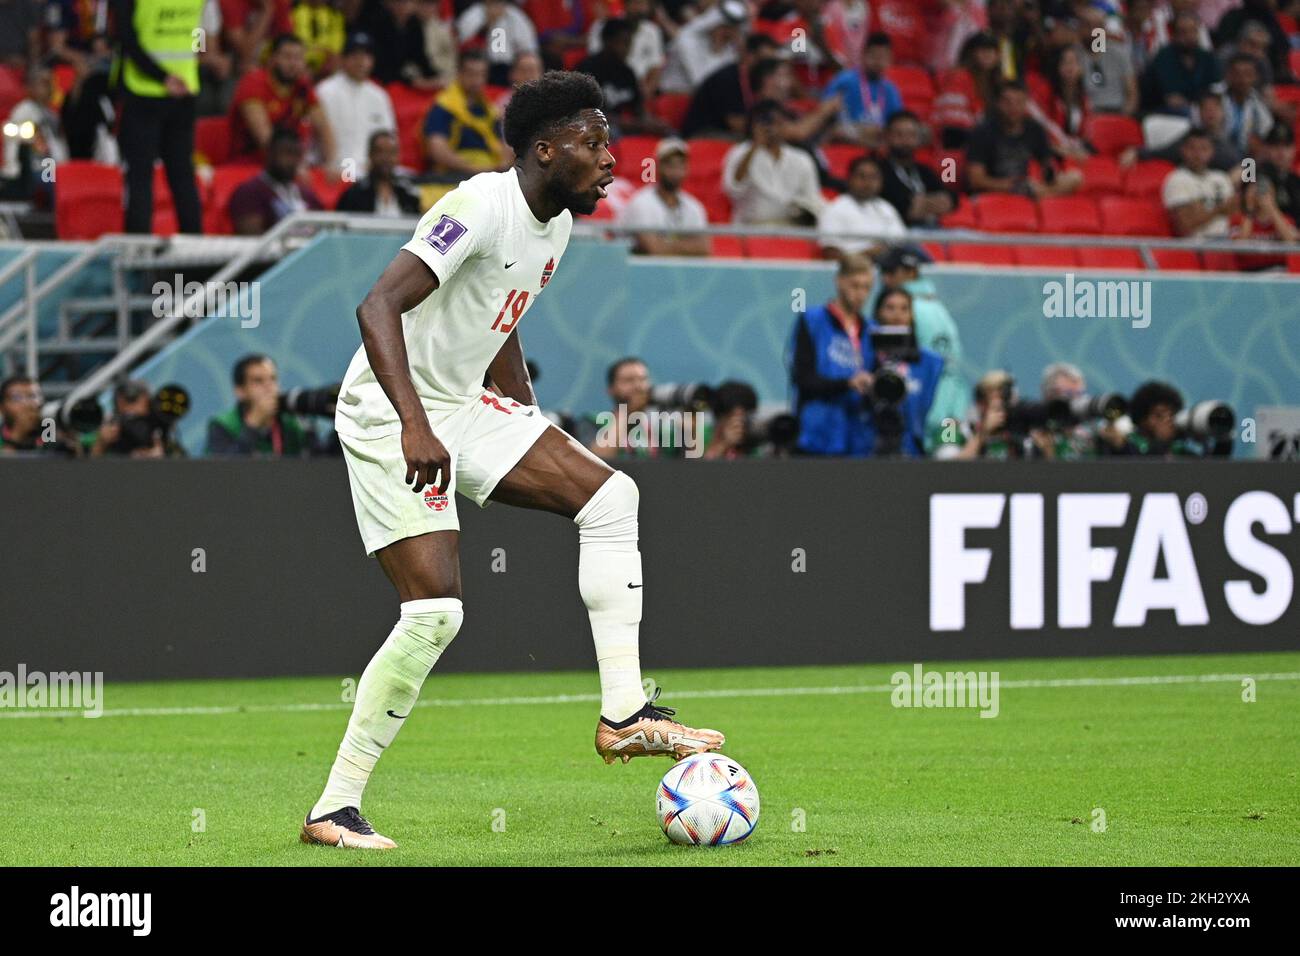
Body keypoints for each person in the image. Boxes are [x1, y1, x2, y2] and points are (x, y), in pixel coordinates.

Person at [302, 70, 724, 850]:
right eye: (594, 143)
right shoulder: (479, 205)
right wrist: (414, 423)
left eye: (609, 142)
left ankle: (625, 713)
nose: (610, 159)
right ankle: (334, 807)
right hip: (388, 413)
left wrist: (524, 418)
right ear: (543, 147)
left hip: (462, 405)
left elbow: (502, 322)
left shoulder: (556, 225)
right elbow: (377, 305)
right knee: (435, 615)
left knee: (611, 497)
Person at [113, 0, 205, 234]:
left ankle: (137, 248)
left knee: (141, 176)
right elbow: (201, 35)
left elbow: (127, 39)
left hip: (144, 90)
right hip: (185, 87)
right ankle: (194, 248)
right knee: (182, 174)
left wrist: (162, 77)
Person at [876, 244, 967, 452]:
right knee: (947, 465)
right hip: (951, 414)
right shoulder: (938, 308)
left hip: (924, 416)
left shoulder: (909, 309)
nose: (884, 279)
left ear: (911, 272)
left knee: (924, 477)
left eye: (890, 272)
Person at [789, 253, 875, 456]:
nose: (860, 294)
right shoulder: (812, 320)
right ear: (839, 281)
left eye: (866, 287)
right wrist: (847, 384)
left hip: (857, 436)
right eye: (855, 285)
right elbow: (803, 378)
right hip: (816, 434)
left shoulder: (871, 329)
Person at [228, 33, 337, 167]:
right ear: (272, 59)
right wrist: (295, 167)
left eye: (298, 58)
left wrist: (331, 163)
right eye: (287, 57)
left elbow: (324, 128)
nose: (293, 63)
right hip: (248, 165)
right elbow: (265, 138)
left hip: (289, 164)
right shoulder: (253, 83)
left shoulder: (302, 87)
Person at [966, 80, 1083, 197]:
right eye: (1007, 102)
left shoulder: (1034, 128)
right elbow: (976, 180)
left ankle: (1042, 195)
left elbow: (1047, 164)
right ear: (998, 103)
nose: (1014, 107)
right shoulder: (982, 132)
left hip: (1026, 188)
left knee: (1075, 177)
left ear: (1026, 103)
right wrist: (1011, 185)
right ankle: (1041, 195)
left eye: (1019, 102)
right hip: (994, 192)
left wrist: (1050, 174)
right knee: (1033, 189)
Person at [865, 287, 943, 458]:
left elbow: (937, 411)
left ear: (912, 315)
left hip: (913, 452)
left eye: (904, 308)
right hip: (867, 449)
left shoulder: (930, 362)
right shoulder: (864, 356)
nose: (897, 315)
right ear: (878, 313)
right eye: (890, 308)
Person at [723, 99, 825, 225]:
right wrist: (755, 145)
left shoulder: (801, 158)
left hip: (792, 228)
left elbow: (813, 198)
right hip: (751, 228)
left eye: (778, 123)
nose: (773, 129)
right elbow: (734, 189)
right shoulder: (740, 153)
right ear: (754, 125)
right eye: (767, 123)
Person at [314, 32, 396, 180]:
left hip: (372, 167)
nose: (361, 62)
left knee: (411, 182)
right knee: (354, 178)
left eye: (366, 56)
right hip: (340, 166)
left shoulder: (379, 95)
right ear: (343, 59)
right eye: (355, 56)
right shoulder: (325, 91)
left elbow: (389, 137)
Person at [422, 50, 512, 179]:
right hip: (453, 177)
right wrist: (475, 170)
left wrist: (502, 165)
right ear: (459, 73)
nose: (477, 80)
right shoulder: (444, 106)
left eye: (482, 74)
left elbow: (504, 147)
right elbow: (437, 150)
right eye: (471, 74)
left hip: (489, 175)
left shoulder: (490, 110)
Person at [575, 18, 671, 137]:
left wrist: (651, 123)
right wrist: (637, 125)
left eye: (629, 43)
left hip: (628, 127)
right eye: (622, 43)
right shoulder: (587, 70)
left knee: (670, 134)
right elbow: (588, 116)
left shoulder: (627, 71)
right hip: (597, 131)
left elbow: (639, 108)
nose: (627, 49)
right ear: (607, 41)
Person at [205, 355, 318, 456]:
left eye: (273, 379)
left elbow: (320, 463)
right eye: (258, 381)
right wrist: (253, 425)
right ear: (240, 391)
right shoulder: (223, 425)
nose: (269, 386)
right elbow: (222, 472)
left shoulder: (293, 422)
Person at [618, 137, 709, 256]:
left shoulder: (694, 206)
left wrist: (666, 245)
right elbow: (654, 249)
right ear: (658, 167)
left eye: (681, 165)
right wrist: (688, 247)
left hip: (679, 272)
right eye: (670, 165)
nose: (675, 171)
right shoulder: (641, 203)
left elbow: (704, 250)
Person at [680, 32, 780, 139]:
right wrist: (780, 130)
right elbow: (736, 124)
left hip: (729, 132)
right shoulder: (727, 79)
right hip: (704, 133)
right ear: (749, 56)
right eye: (765, 61)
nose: (769, 67)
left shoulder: (756, 78)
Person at [228, 128, 325, 233]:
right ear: (270, 153)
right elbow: (251, 236)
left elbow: (326, 230)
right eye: (287, 153)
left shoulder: (307, 195)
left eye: (296, 155)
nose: (292, 160)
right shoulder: (249, 192)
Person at [821, 32, 902, 148]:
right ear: (863, 55)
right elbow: (825, 112)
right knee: (840, 131)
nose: (878, 62)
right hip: (850, 131)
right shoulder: (844, 80)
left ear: (890, 59)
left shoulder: (890, 89)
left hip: (879, 133)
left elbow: (896, 122)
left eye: (883, 57)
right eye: (874, 56)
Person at [818, 155, 906, 259]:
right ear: (849, 179)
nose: (868, 183)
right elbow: (831, 255)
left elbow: (901, 242)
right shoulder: (834, 209)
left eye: (873, 177)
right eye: (861, 176)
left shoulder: (886, 207)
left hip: (890, 265)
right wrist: (870, 253)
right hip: (855, 270)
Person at [879, 111, 956, 227]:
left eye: (911, 135)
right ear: (887, 136)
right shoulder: (878, 169)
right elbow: (892, 203)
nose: (905, 140)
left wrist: (944, 201)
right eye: (899, 135)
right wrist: (912, 206)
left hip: (932, 230)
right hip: (898, 233)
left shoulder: (924, 170)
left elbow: (948, 196)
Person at [1140, 12, 1221, 115]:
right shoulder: (1164, 57)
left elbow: (1214, 88)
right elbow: (1172, 97)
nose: (1189, 36)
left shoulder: (1207, 57)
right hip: (1164, 111)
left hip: (1198, 108)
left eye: (1193, 31)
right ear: (1174, 35)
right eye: (1183, 32)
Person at [1163, 127, 1236, 238]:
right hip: (1198, 245)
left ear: (1212, 151)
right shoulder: (1176, 179)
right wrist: (1220, 209)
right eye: (1192, 149)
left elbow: (1234, 210)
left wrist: (1200, 210)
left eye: (1204, 149)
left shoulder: (1221, 177)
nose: (1198, 154)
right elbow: (1185, 226)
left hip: (1228, 239)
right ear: (1183, 150)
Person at [455, 0, 539, 87]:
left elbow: (528, 48)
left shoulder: (516, 17)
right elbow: (466, 48)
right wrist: (488, 23)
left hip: (509, 67)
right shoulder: (471, 16)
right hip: (485, 66)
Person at [336, 131, 421, 215]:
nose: (386, 158)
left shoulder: (409, 194)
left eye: (391, 153)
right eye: (380, 151)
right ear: (370, 155)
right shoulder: (354, 195)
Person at [0, 375, 71, 455]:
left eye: (33, 396)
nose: (27, 404)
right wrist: (17, 435)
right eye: (17, 397)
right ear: (2, 407)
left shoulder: (52, 430)